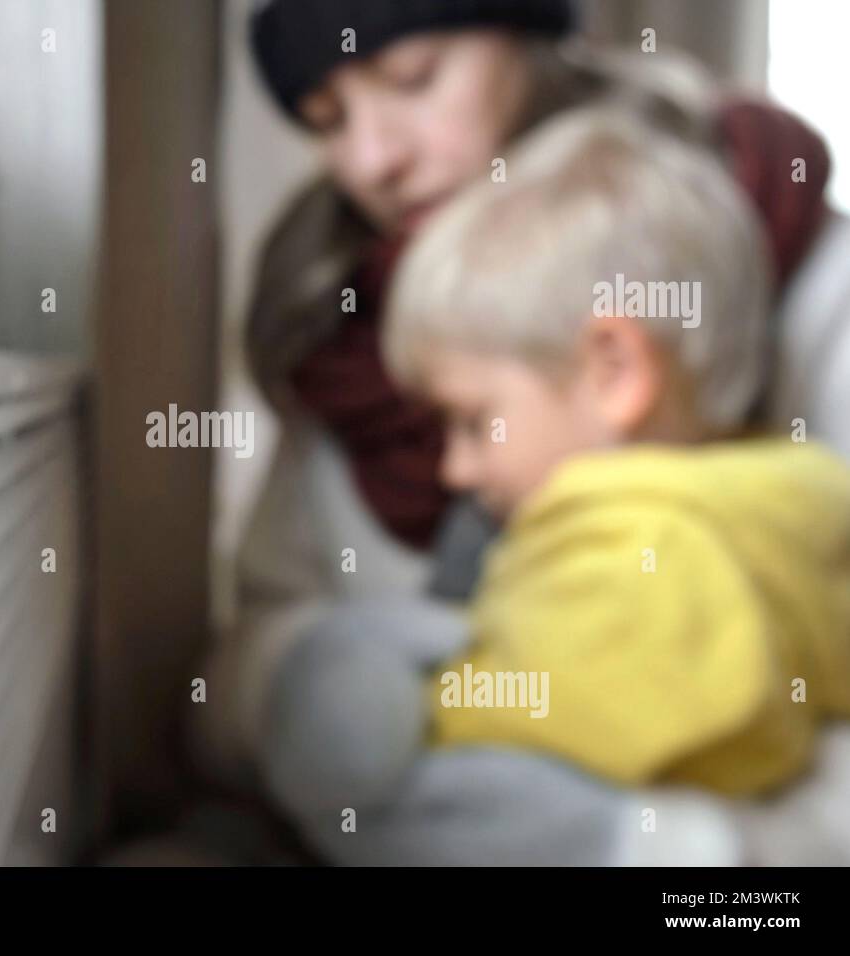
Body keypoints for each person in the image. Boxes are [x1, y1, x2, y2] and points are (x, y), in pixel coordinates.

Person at [191, 0, 850, 865]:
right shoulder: (338, 336)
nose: (372, 159)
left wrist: (699, 858)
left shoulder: (812, 296)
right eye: (327, 120)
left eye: (411, 79)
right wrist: (314, 687)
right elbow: (234, 672)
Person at [381, 107, 850, 795]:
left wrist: (402, 707)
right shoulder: (783, 505)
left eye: (474, 422)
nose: (455, 469)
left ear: (615, 372)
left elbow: (521, 741)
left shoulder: (629, 540)